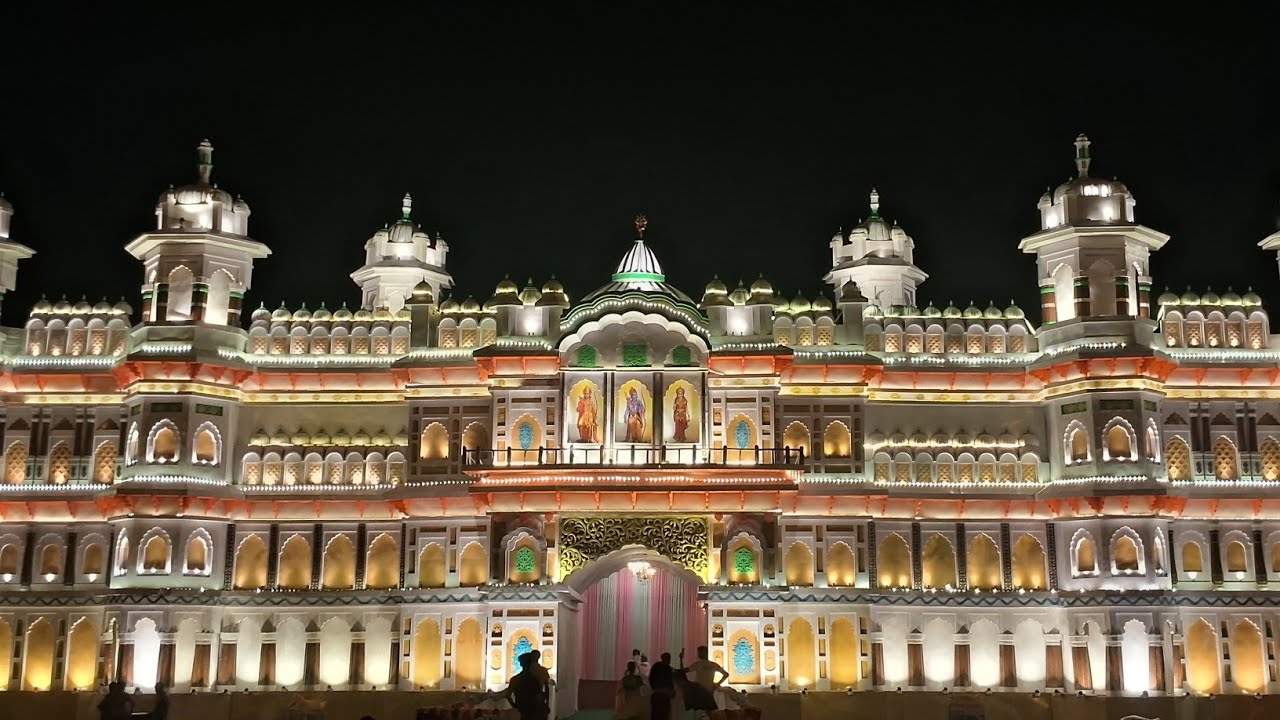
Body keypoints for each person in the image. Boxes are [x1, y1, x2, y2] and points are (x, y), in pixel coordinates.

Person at [494, 653, 549, 720]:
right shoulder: (536, 678)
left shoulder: (515, 679)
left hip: (522, 711)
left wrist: (515, 706)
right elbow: (541, 693)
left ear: (521, 664)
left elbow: (508, 695)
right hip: (535, 711)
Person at [679, 647, 728, 719]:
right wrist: (716, 685)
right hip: (708, 690)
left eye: (699, 652)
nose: (698, 654)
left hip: (700, 691)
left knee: (702, 712)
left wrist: (681, 659)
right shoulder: (713, 664)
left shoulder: (699, 664)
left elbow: (682, 671)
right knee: (708, 712)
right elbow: (726, 674)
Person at [647, 652, 675, 720]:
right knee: (662, 715)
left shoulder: (657, 666)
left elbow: (651, 678)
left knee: (657, 714)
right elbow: (670, 681)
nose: (669, 660)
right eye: (668, 658)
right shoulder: (666, 668)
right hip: (662, 695)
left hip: (658, 694)